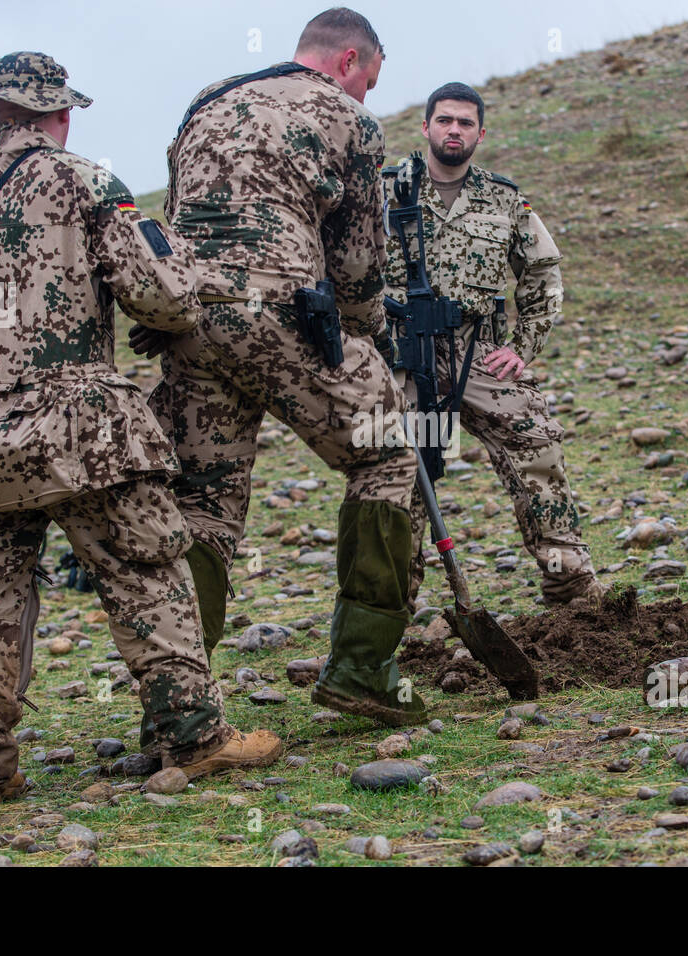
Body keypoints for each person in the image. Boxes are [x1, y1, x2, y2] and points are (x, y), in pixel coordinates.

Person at [0, 52, 281, 804]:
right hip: (71, 433)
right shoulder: (85, 182)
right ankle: (192, 738)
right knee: (145, 568)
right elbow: (159, 299)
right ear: (61, 114)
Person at [137, 8, 424, 726]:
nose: (366, 97)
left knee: (203, 501)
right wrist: (364, 343)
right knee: (386, 457)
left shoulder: (208, 98)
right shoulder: (347, 120)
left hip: (191, 318)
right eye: (371, 82)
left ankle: (180, 709)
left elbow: (173, 219)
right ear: (350, 61)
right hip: (281, 313)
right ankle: (362, 667)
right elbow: (358, 262)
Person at [383, 82, 606, 608]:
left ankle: (570, 583)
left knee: (536, 444)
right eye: (444, 120)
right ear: (426, 128)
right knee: (395, 471)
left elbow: (543, 274)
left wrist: (523, 347)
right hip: (400, 355)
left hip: (477, 350)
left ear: (480, 133)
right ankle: (386, 610)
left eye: (464, 123)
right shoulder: (386, 190)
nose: (453, 130)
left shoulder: (503, 199)